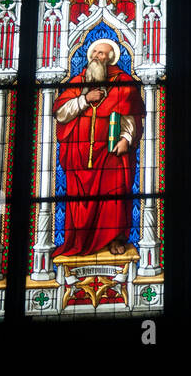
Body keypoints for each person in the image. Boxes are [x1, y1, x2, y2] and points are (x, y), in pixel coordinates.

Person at [53, 38, 145, 258]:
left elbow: (131, 116)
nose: (97, 56)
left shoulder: (123, 82)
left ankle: (114, 239)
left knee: (112, 195)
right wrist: (85, 98)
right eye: (94, 52)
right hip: (79, 154)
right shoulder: (78, 81)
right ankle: (79, 240)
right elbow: (61, 113)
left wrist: (126, 138)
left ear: (111, 58)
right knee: (79, 199)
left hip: (110, 153)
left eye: (102, 53)